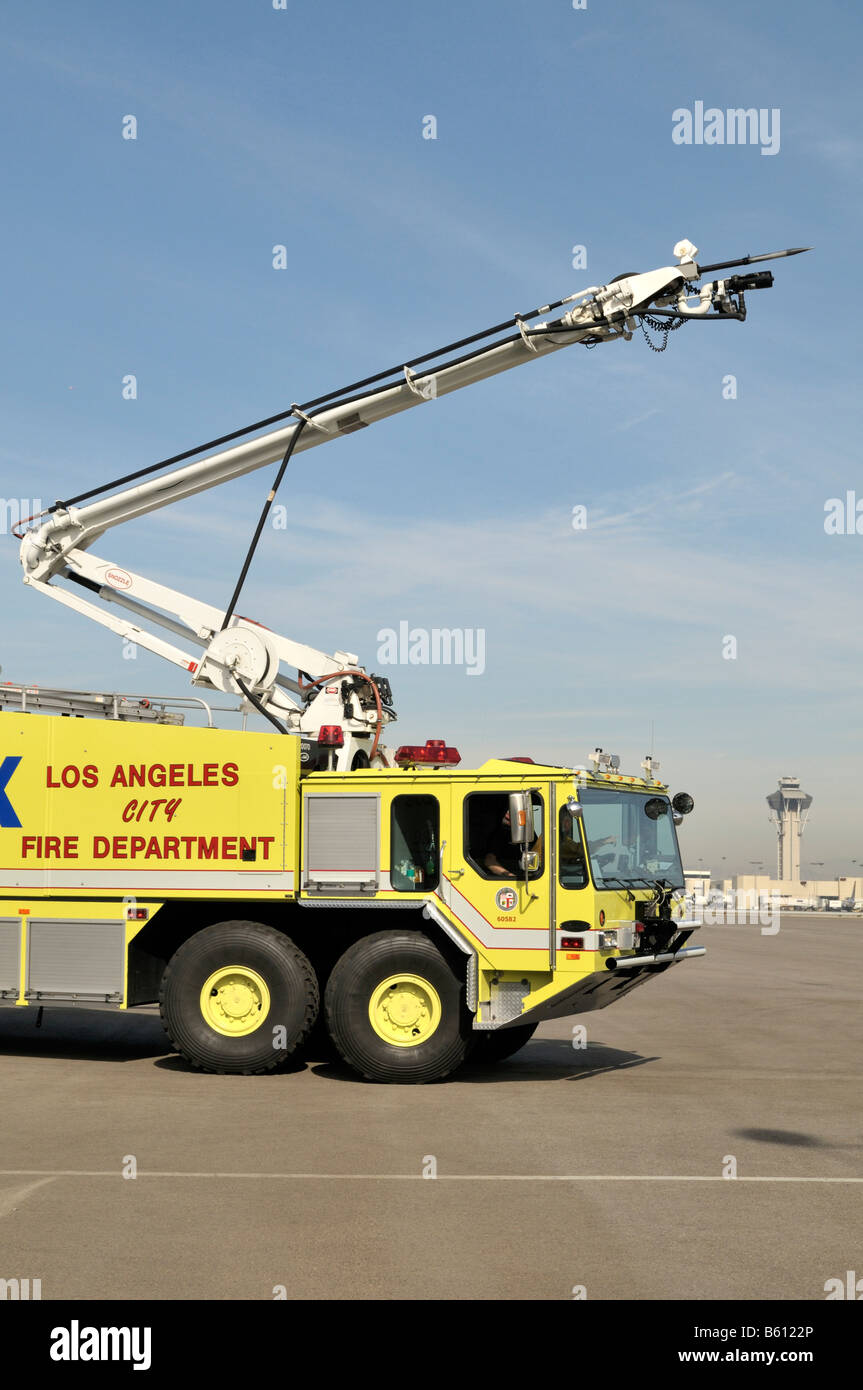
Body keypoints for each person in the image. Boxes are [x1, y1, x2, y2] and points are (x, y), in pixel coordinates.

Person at [484, 805, 540, 877]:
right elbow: (489, 861)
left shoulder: (528, 833)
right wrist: (510, 876)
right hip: (504, 878)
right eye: (508, 811)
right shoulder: (499, 835)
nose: (509, 814)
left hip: (526, 876)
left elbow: (537, 855)